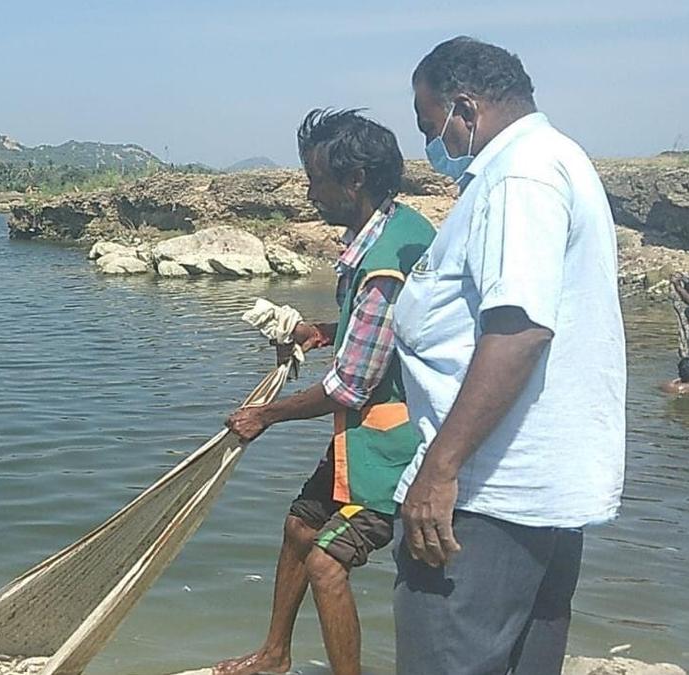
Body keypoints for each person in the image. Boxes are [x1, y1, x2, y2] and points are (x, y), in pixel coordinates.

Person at [390, 37, 626, 674]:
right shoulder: (555, 159)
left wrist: (440, 469)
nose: (428, 144)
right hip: (535, 493)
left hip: (485, 499)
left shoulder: (519, 174)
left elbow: (519, 332)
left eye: (428, 124)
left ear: (463, 107)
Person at [216, 109, 436, 675]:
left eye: (316, 179)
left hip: (395, 452)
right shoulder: (397, 228)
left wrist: (265, 415)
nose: (309, 192)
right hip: (363, 441)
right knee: (299, 525)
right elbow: (379, 329)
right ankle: (274, 656)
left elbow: (349, 386)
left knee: (325, 563)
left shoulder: (384, 265)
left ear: (354, 180)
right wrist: (324, 331)